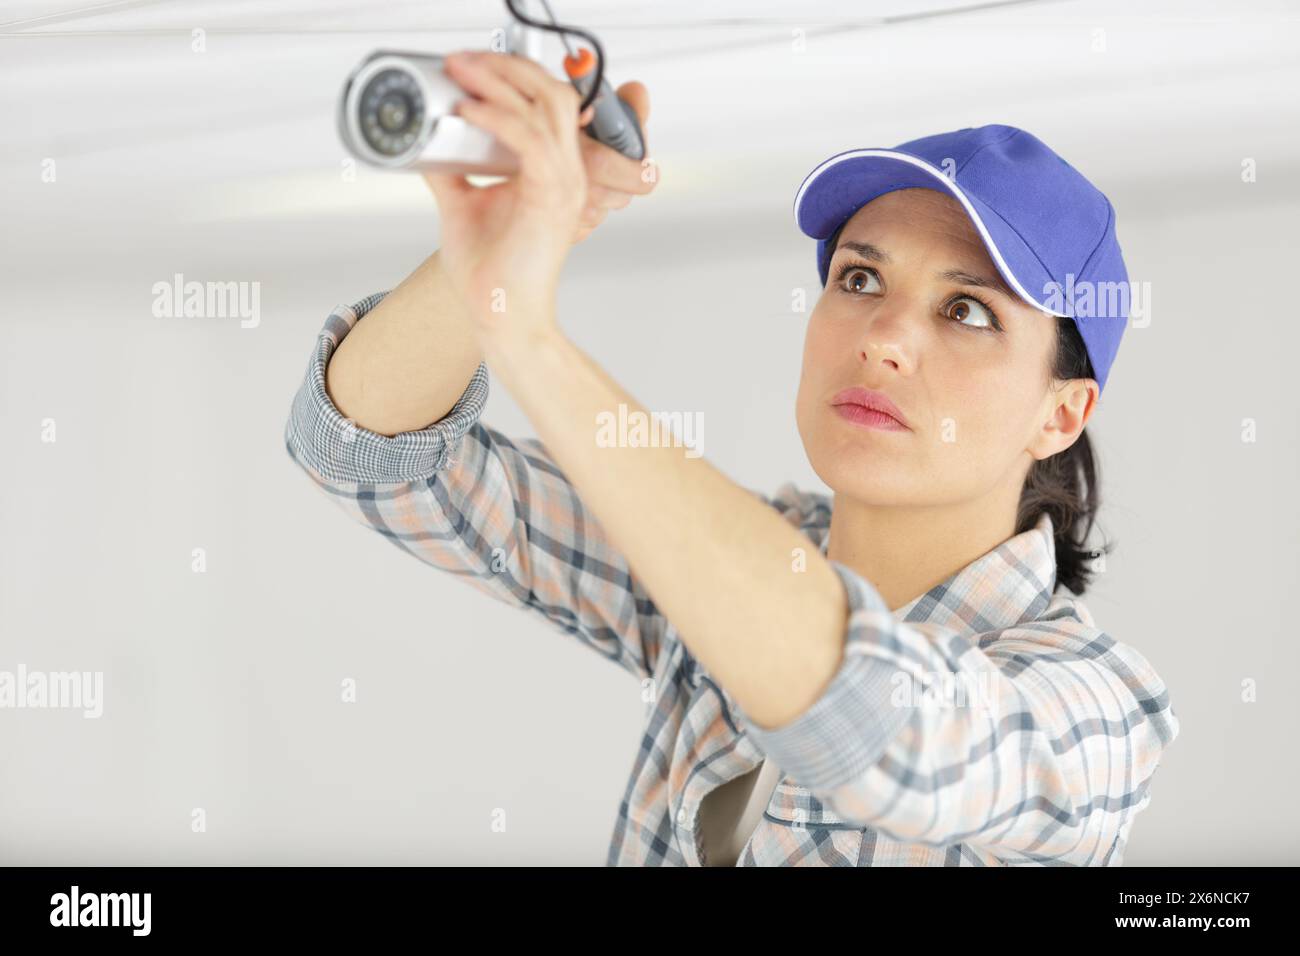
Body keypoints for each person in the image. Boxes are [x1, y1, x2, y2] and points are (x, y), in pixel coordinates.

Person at [284, 49, 1178, 865]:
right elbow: (367, 454)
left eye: (968, 310)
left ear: (1062, 414)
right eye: (860, 279)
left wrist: (523, 332)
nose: (885, 339)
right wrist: (483, 268)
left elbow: (876, 722)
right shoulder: (743, 554)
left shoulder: (1093, 709)